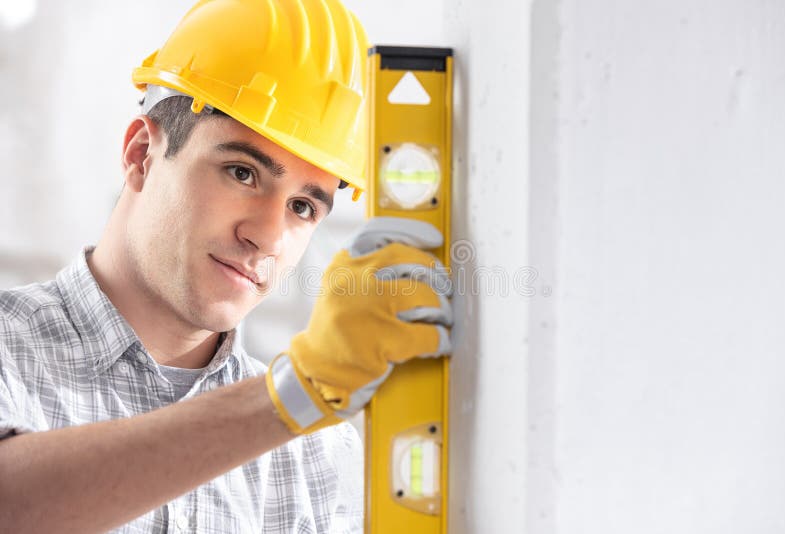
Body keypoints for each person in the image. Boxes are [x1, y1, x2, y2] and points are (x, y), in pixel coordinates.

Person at [0, 0, 452, 532]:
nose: (266, 236)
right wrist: (292, 396)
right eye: (241, 173)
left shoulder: (319, 455)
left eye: (303, 207)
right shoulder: (9, 350)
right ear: (142, 153)